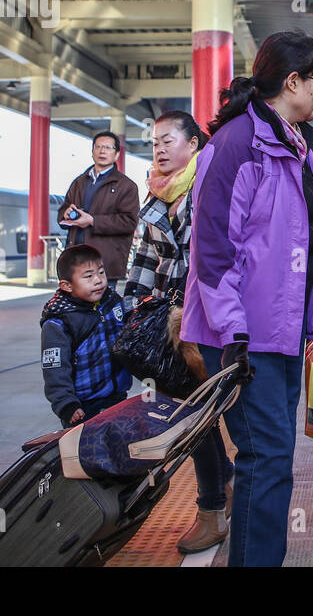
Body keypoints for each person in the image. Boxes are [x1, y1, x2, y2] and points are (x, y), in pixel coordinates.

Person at [181, 29, 313, 567]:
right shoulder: (237, 145)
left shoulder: (301, 149)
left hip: (281, 332)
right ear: (292, 80)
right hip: (243, 336)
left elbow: (311, 239)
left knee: (272, 457)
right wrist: (232, 331)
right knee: (267, 456)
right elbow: (212, 248)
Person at [122, 110, 232, 554]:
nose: (160, 149)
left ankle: (216, 507)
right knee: (192, 414)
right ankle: (219, 491)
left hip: (210, 320)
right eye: (154, 143)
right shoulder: (154, 197)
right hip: (170, 325)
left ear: (193, 144)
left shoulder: (208, 187)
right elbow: (142, 263)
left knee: (204, 414)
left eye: (169, 140)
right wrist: (132, 314)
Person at [40, 243, 131, 428]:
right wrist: (66, 404)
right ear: (66, 285)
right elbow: (55, 369)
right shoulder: (59, 322)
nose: (98, 280)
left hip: (117, 397)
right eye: (88, 276)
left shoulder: (112, 302)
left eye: (101, 272)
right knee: (87, 453)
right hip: (82, 406)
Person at [57, 131, 140, 292]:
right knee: (75, 313)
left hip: (104, 266)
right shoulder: (79, 182)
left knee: (102, 313)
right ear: (92, 151)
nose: (102, 151)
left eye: (108, 147)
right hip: (76, 263)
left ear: (116, 154)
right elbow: (61, 214)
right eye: (99, 147)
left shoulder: (126, 185)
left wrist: (92, 221)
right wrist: (66, 214)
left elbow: (129, 223)